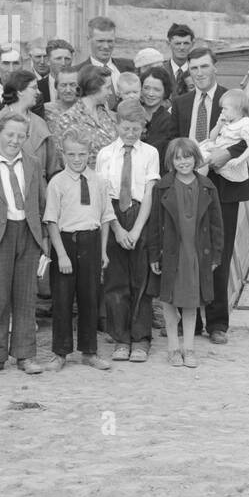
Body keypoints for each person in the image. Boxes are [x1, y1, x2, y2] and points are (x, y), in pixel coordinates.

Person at [171, 45, 249, 345]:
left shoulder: (233, 100)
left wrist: (226, 153)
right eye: (194, 69)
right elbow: (174, 140)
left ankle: (217, 323)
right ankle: (189, 318)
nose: (199, 73)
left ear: (215, 67)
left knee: (219, 252)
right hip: (188, 185)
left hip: (224, 188)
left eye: (204, 67)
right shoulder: (181, 103)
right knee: (187, 250)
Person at [0, 113, 50, 374]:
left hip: (27, 233)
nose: (15, 140)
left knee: (26, 297)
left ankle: (25, 354)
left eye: (21, 136)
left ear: (26, 138)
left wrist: (44, 236)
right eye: (10, 135)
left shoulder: (34, 164)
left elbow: (41, 202)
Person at [148, 138, 224, 368]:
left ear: (196, 158)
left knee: (192, 302)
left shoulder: (207, 186)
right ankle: (173, 348)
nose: (183, 162)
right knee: (169, 302)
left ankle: (189, 348)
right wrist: (154, 254)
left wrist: (215, 256)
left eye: (187, 157)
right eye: (178, 158)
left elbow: (216, 225)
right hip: (171, 253)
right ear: (171, 160)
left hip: (196, 253)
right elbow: (154, 223)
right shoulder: (163, 186)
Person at [43, 131, 115, 373]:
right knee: (62, 299)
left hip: (91, 241)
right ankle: (60, 352)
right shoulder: (57, 183)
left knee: (90, 298)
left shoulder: (99, 181)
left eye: (82, 154)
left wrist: (103, 251)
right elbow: (51, 221)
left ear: (89, 154)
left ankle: (89, 351)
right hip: (66, 242)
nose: (76, 159)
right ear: (63, 154)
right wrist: (61, 254)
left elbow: (105, 218)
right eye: (71, 154)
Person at [97, 100, 161, 362]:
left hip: (139, 216)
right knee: (115, 282)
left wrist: (135, 230)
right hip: (112, 217)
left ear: (143, 127)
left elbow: (148, 193)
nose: (131, 134)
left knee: (140, 281)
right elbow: (103, 194)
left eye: (136, 129)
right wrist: (118, 229)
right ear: (117, 125)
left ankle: (141, 339)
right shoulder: (105, 154)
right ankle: (121, 338)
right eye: (126, 128)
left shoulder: (150, 153)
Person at [0, 70, 52, 177]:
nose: (38, 92)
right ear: (20, 91)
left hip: (39, 189)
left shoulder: (40, 123)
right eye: (34, 88)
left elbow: (53, 166)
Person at [50, 71, 116, 170]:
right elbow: (62, 160)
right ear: (94, 88)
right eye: (107, 88)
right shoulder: (69, 119)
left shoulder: (107, 115)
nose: (110, 92)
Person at [199, 88, 249, 184]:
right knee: (198, 150)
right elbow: (212, 138)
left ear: (238, 109)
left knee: (205, 159)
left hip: (227, 159)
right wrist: (218, 125)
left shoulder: (245, 124)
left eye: (225, 108)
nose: (222, 111)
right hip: (216, 148)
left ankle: (198, 182)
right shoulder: (226, 120)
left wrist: (239, 159)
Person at [76, 16, 135, 107]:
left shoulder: (130, 67)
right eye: (100, 41)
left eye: (110, 41)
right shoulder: (77, 73)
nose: (106, 46)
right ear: (88, 39)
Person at [139, 67, 177, 165]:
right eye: (146, 88)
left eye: (157, 90)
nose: (150, 94)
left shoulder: (169, 121)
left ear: (165, 92)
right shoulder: (132, 112)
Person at [38, 38, 74, 109]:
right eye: (58, 59)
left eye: (67, 59)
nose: (63, 63)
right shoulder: (37, 87)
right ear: (48, 61)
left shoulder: (80, 87)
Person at [43, 66, 80, 132]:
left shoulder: (88, 111)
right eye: (63, 85)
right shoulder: (45, 111)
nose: (68, 90)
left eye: (73, 85)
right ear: (56, 87)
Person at [164, 23, 197, 96]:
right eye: (178, 43)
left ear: (192, 44)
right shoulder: (161, 71)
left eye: (186, 43)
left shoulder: (198, 71)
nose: (182, 48)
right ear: (168, 44)